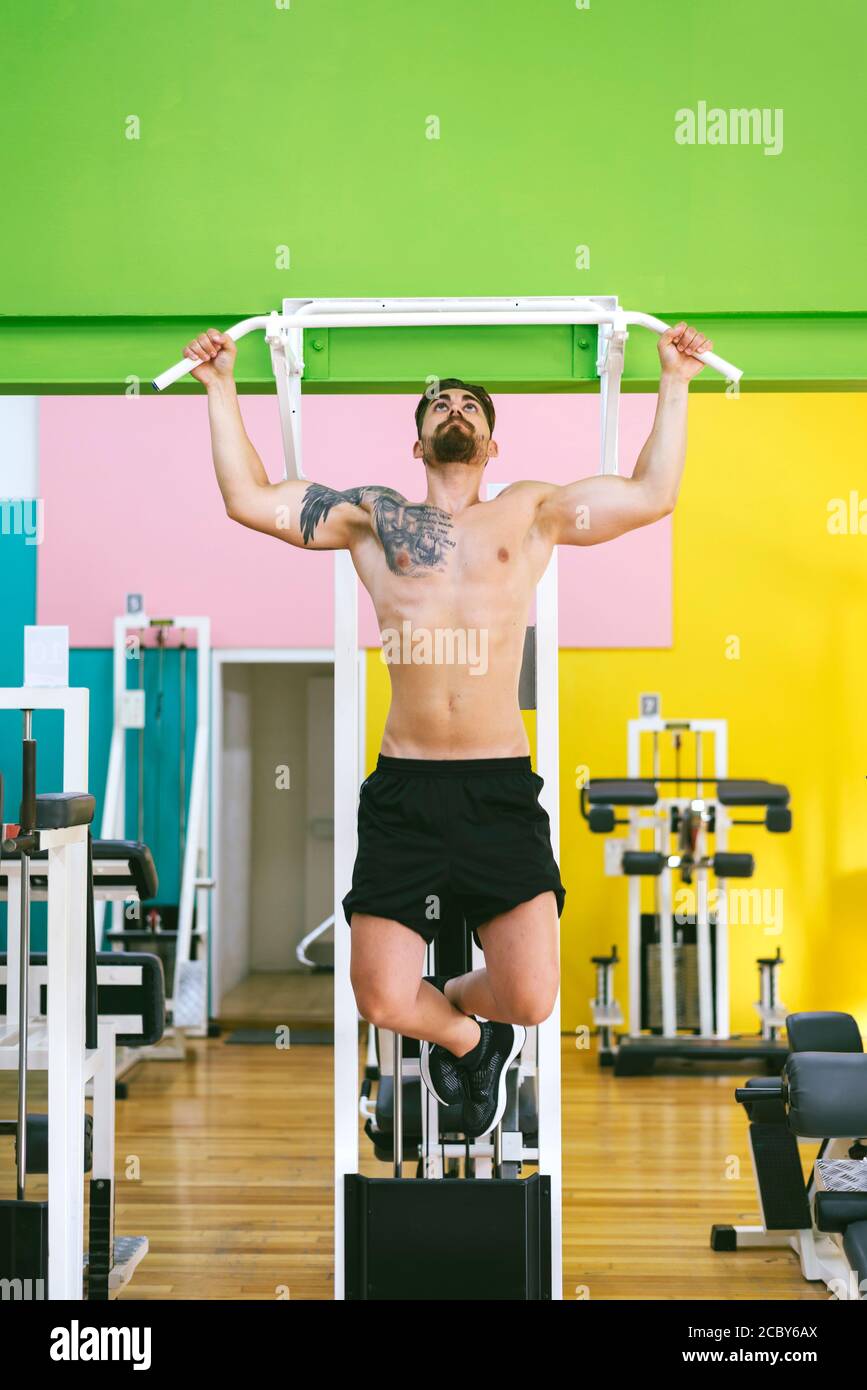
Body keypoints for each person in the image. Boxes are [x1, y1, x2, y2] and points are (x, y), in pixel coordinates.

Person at [183, 321, 713, 1138]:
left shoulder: (529, 513)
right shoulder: (372, 520)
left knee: (533, 998)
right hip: (405, 789)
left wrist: (672, 381)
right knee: (382, 997)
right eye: (439, 404)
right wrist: (222, 388)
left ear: (491, 444)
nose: (454, 410)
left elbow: (652, 495)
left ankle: (477, 1017)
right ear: (418, 440)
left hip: (499, 788)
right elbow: (249, 500)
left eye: (469, 405)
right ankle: (468, 1039)